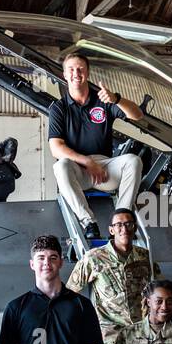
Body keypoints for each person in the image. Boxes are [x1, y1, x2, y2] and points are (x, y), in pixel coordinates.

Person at [49, 49, 146, 239]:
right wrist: (87, 162)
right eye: (71, 70)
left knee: (134, 161)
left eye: (80, 69)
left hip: (104, 171)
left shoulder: (103, 100)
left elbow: (137, 115)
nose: (76, 74)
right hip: (77, 171)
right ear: (64, 75)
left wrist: (116, 99)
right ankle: (89, 223)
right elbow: (56, 148)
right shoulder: (58, 108)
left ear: (88, 72)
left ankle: (121, 219)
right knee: (60, 165)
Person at [66, 207, 161, 344]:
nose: (124, 229)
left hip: (142, 326)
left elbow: (159, 289)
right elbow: (70, 292)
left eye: (128, 224)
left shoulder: (144, 257)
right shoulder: (94, 257)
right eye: (119, 225)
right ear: (111, 230)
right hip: (111, 330)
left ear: (135, 227)